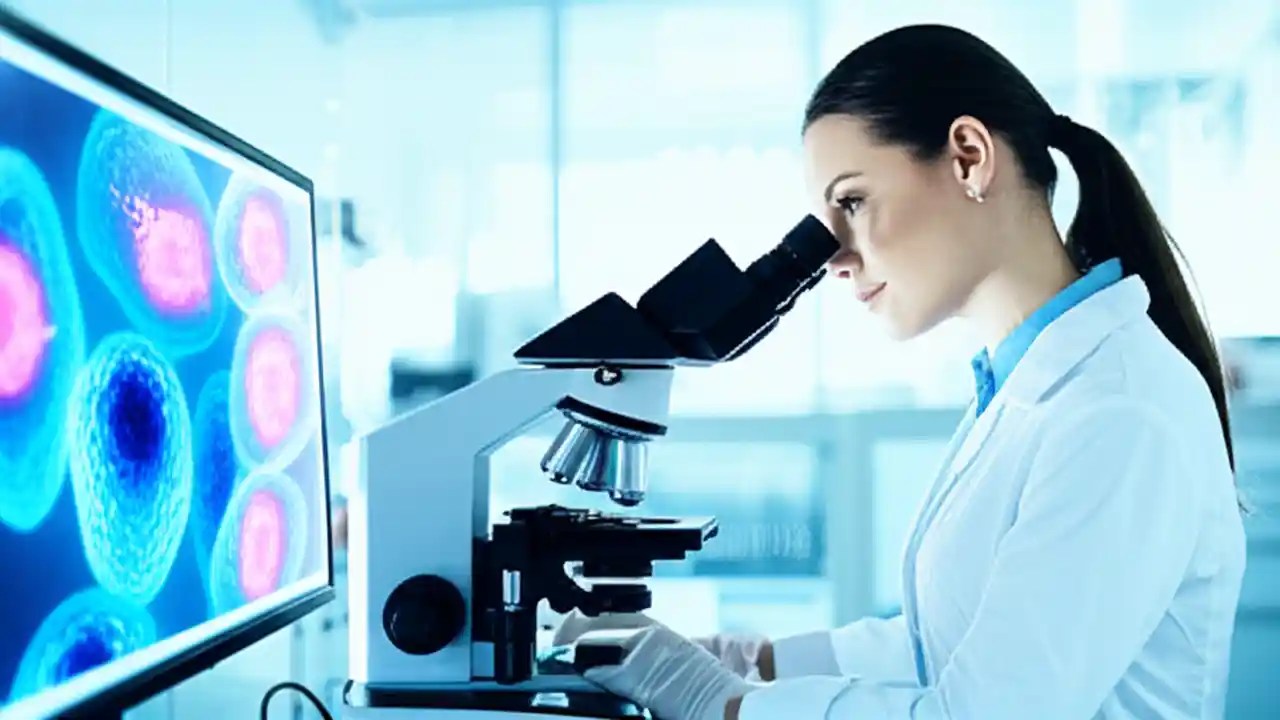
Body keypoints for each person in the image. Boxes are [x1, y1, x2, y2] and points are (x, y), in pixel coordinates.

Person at [554, 23, 1246, 720]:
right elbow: (945, 641)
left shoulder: (1118, 414)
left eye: (851, 202)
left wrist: (722, 703)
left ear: (970, 157)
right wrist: (751, 660)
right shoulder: (1027, 386)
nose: (831, 257)